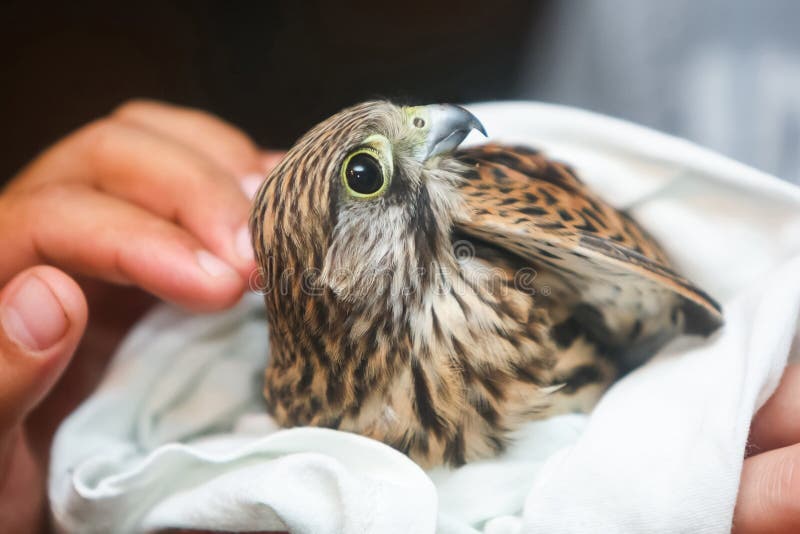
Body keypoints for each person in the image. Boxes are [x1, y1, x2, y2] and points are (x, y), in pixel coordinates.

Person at [0, 101, 796, 533]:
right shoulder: (300, 406)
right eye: (369, 170)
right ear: (336, 274)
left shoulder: (510, 246)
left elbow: (688, 306)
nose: (435, 126)